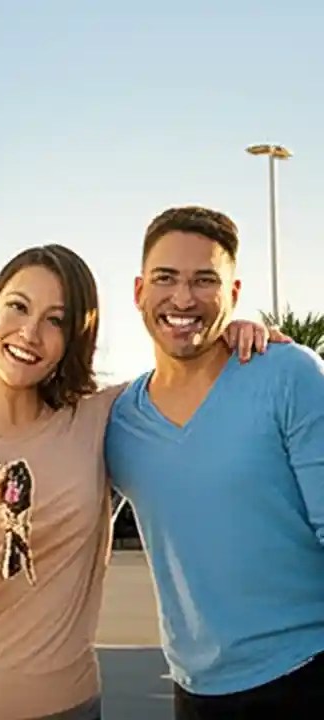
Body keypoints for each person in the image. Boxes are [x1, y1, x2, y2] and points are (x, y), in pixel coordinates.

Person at [0, 242, 283, 720]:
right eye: (18, 306)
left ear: (75, 338)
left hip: (66, 707)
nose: (30, 333)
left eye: (55, 320)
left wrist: (229, 338)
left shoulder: (102, 417)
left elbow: (182, 378)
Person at [104, 205, 324, 719]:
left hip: (309, 673)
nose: (183, 298)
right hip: (197, 692)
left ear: (234, 295)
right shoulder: (116, 422)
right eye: (166, 278)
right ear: (139, 291)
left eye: (205, 280)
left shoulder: (289, 375)